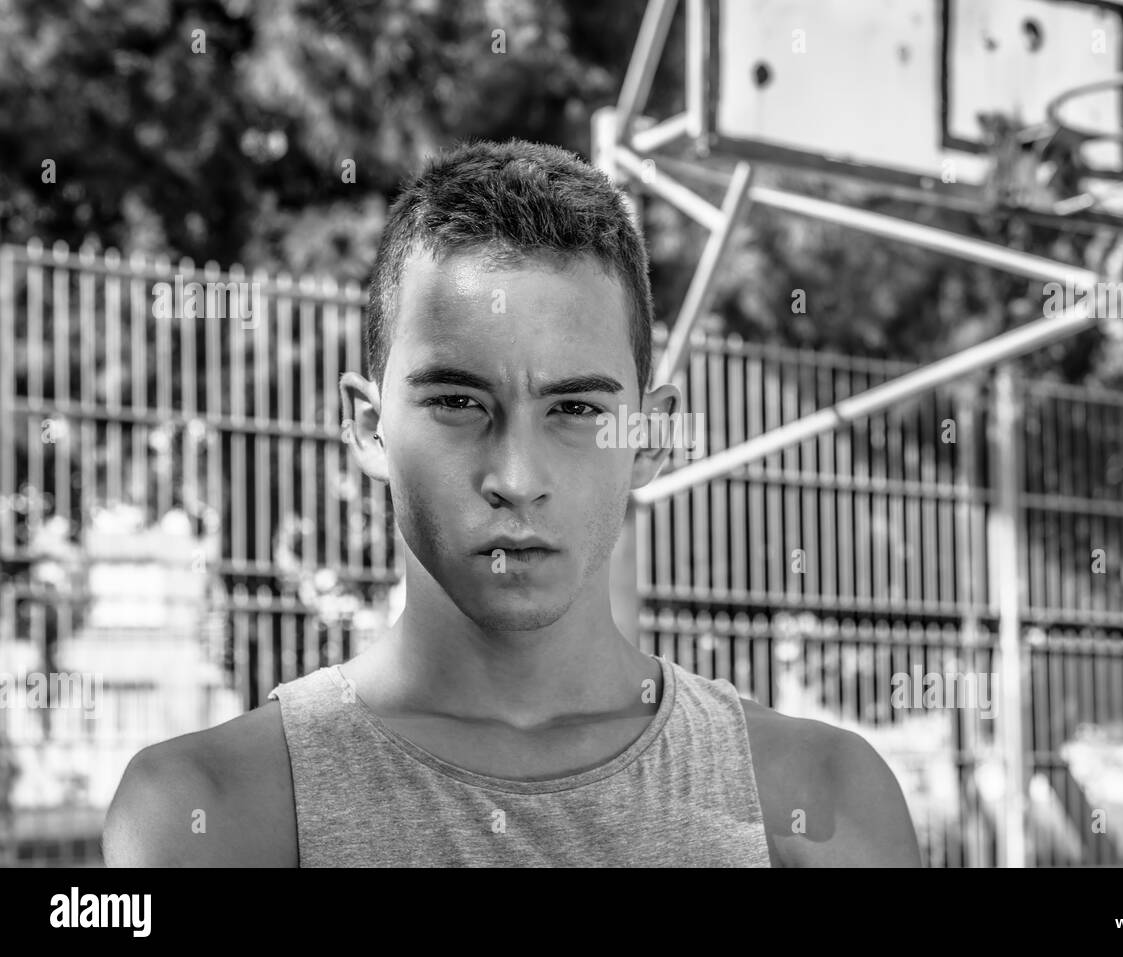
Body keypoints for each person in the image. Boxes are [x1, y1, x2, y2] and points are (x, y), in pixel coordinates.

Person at [103, 139, 921, 867]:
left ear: (650, 436)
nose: (516, 474)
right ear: (367, 428)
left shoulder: (826, 800)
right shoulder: (205, 809)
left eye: (574, 409)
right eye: (459, 402)